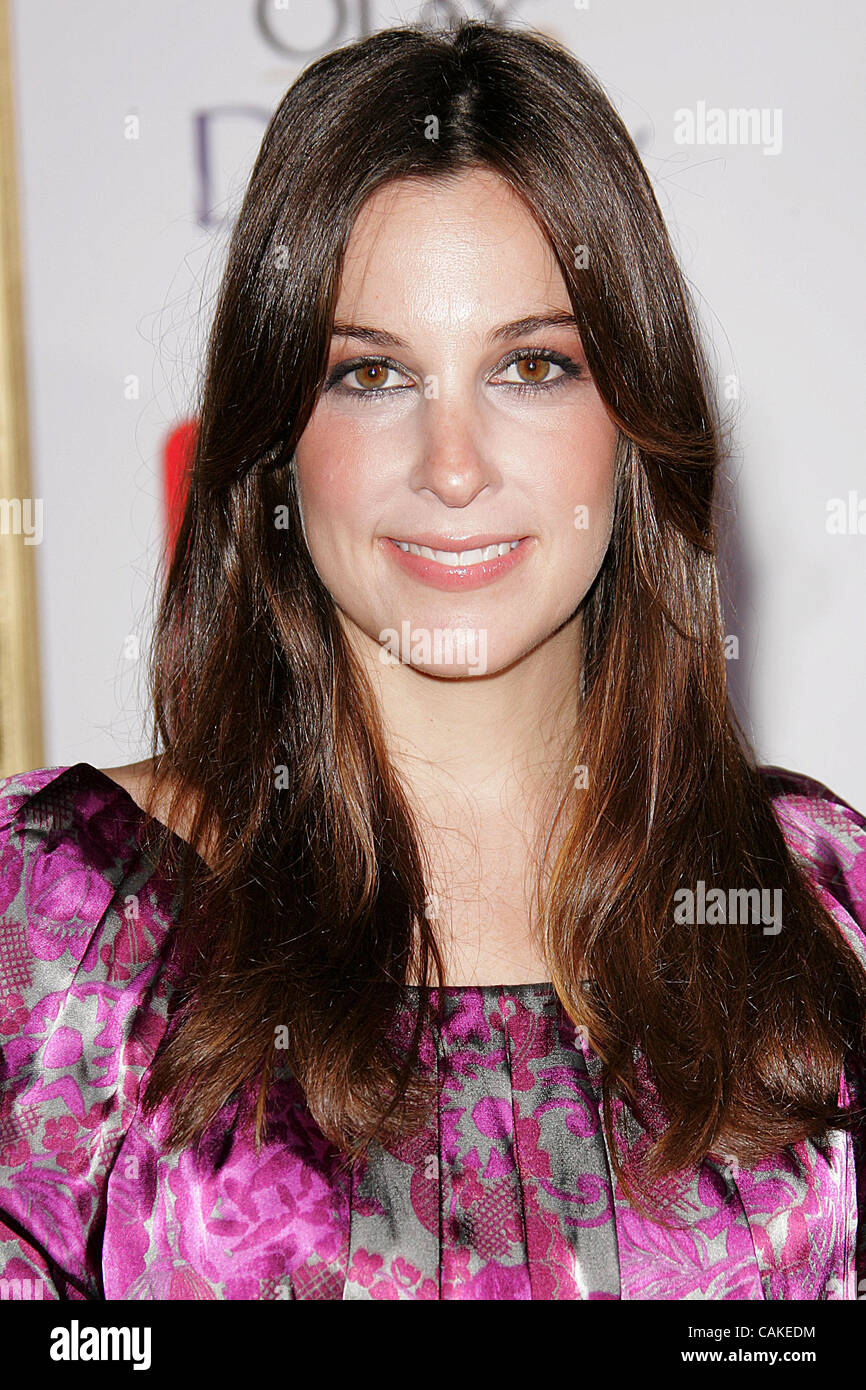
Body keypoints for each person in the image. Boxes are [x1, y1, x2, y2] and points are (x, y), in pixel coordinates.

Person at [1, 18, 865, 1302]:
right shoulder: (63, 933)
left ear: (633, 421)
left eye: (531, 365)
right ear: (272, 441)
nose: (451, 467)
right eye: (370, 374)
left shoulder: (824, 910)